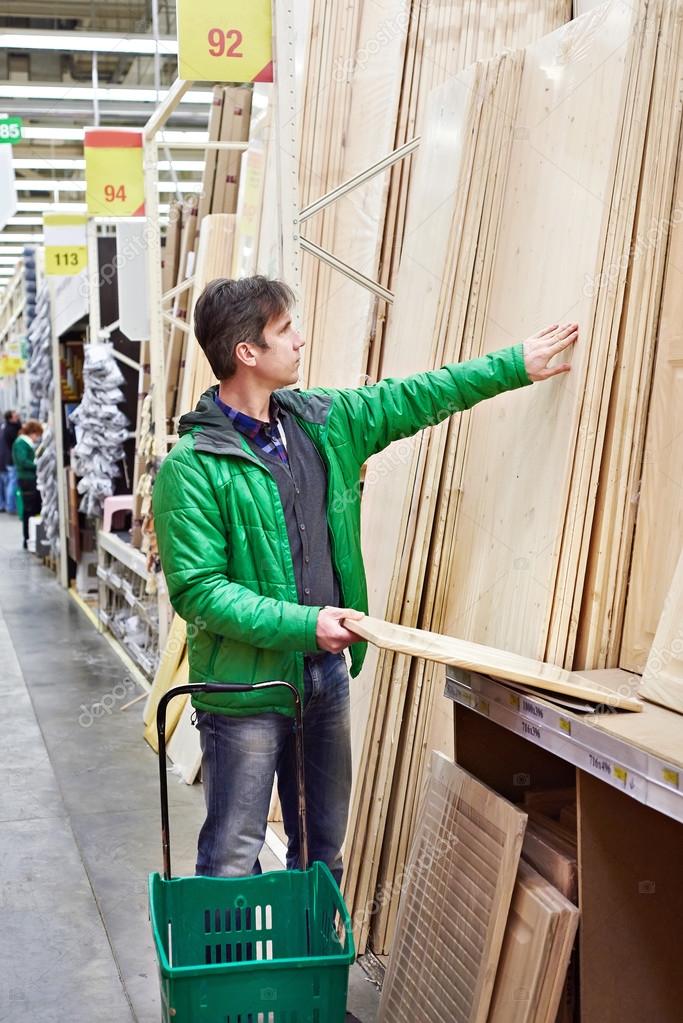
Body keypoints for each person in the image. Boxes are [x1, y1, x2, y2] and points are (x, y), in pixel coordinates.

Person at [153, 275, 578, 882]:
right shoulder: (190, 469)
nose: (299, 340)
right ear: (247, 353)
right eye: (284, 331)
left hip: (322, 678)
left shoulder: (323, 423)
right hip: (245, 691)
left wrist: (513, 365)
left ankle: (310, 972)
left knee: (322, 847)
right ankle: (230, 975)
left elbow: (412, 397)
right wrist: (307, 624)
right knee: (231, 852)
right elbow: (201, 593)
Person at [13, 419, 43, 549]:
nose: (37, 438)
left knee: (31, 508)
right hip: (27, 480)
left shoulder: (23, 443)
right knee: (29, 509)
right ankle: (28, 538)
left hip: (29, 479)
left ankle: (30, 537)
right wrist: (37, 465)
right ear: (33, 432)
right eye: (37, 435)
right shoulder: (21, 443)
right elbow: (23, 461)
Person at [0, 410, 21, 514]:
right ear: (11, 417)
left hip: (5, 459)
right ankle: (11, 506)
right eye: (15, 414)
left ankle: (5, 505)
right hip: (11, 459)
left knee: (6, 483)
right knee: (12, 483)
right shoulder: (11, 429)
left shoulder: (5, 428)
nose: (17, 415)